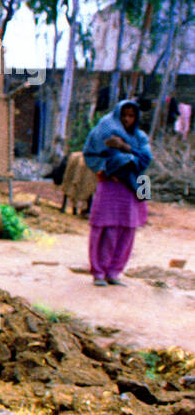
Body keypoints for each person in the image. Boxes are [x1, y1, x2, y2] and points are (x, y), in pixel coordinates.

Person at [81, 99, 151, 286]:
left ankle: (114, 272)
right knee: (105, 228)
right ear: (116, 116)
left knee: (127, 229)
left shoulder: (140, 137)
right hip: (110, 186)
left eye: (131, 115)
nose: (127, 119)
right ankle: (98, 272)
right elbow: (90, 154)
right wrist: (105, 168)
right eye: (124, 115)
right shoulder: (103, 132)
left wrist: (124, 148)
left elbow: (145, 160)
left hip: (132, 187)